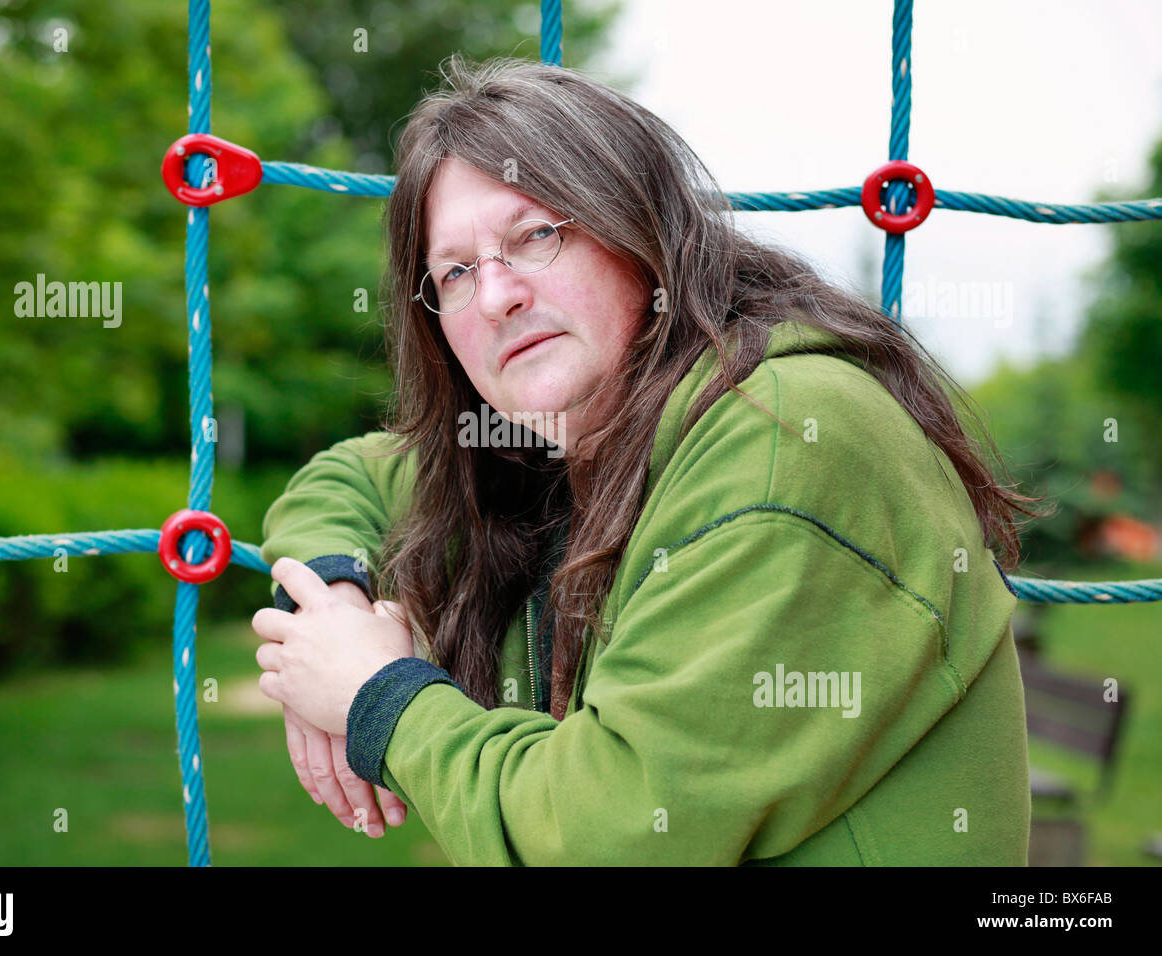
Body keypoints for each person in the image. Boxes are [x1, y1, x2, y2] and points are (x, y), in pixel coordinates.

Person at [252, 53, 1047, 865]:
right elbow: (351, 474)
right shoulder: (563, 442)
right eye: (454, 272)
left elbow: (607, 838)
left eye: (535, 235)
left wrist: (375, 699)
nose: (496, 295)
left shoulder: (782, 441)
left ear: (642, 232)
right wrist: (336, 607)